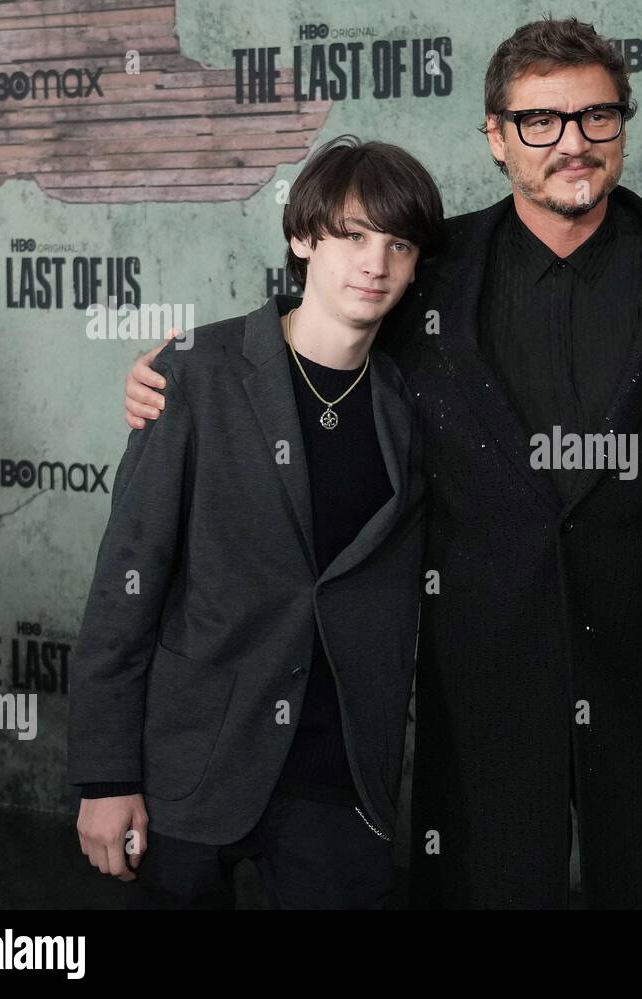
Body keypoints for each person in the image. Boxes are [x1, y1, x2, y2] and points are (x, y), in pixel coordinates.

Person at [123, 18, 642, 909]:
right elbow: (315, 330)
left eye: (596, 116)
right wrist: (173, 373)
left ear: (623, 121)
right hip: (475, 679)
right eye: (540, 121)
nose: (572, 142)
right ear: (495, 135)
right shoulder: (431, 263)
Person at [69, 136, 442, 908]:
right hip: (193, 771)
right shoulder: (194, 375)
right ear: (303, 237)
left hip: (340, 787)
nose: (374, 262)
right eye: (351, 235)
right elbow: (124, 589)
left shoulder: (408, 406)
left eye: (398, 244)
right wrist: (107, 778)